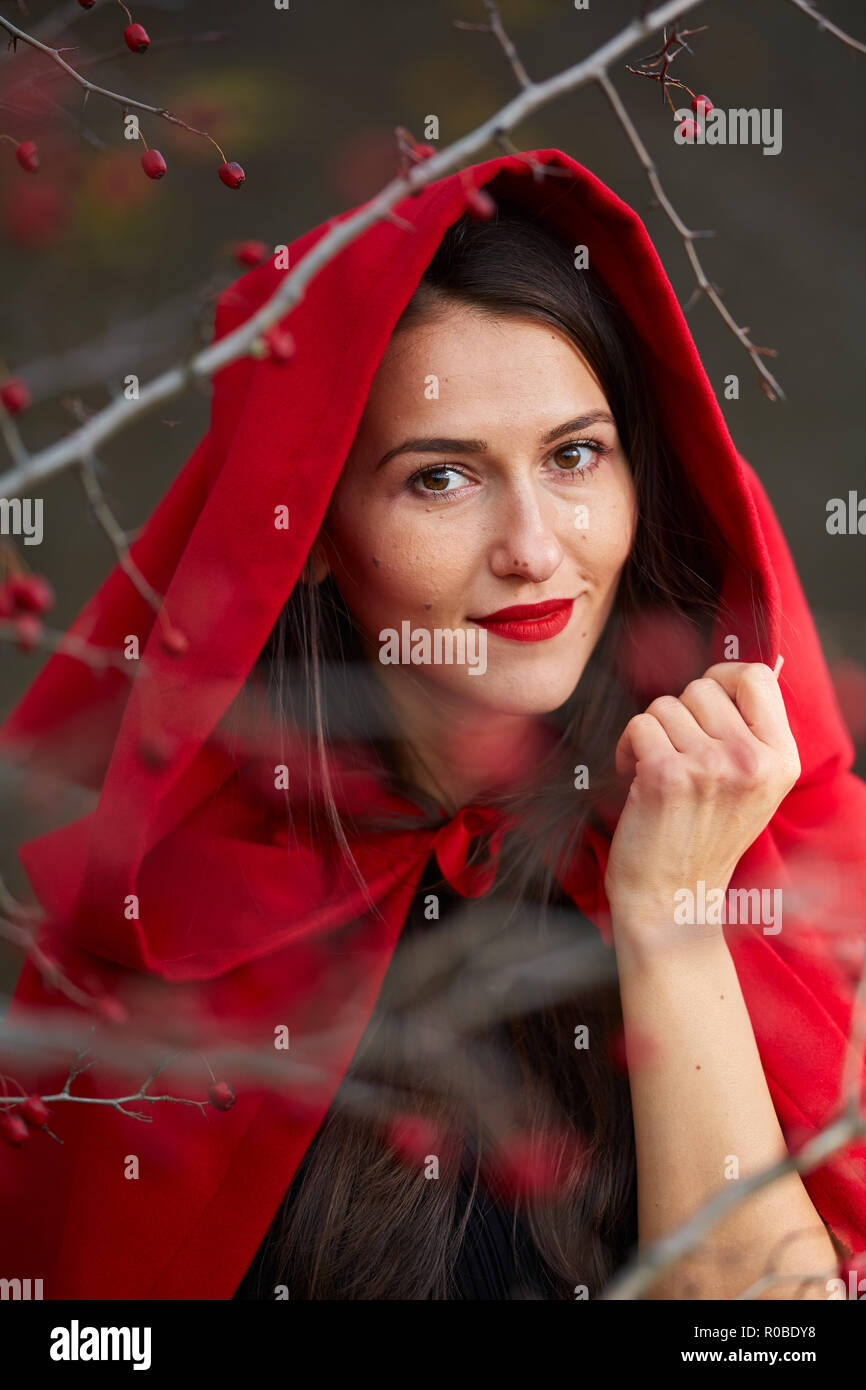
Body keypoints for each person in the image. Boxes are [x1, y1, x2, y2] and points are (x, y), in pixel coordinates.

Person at [1, 149, 864, 1301]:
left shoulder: (793, 865)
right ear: (304, 531)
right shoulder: (166, 930)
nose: (533, 547)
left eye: (572, 456)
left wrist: (672, 919)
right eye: (439, 479)